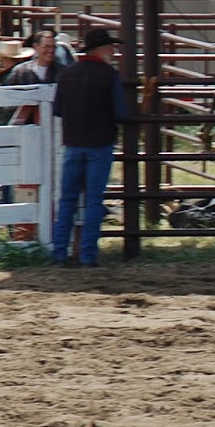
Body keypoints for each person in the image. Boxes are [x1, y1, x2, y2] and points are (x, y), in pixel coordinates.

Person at [50, 28, 128, 267]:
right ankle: (87, 255)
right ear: (101, 49)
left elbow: (58, 110)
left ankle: (59, 252)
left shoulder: (67, 74)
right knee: (94, 201)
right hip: (99, 144)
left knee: (67, 200)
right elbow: (121, 113)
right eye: (110, 47)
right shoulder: (109, 75)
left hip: (73, 143)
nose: (113, 52)